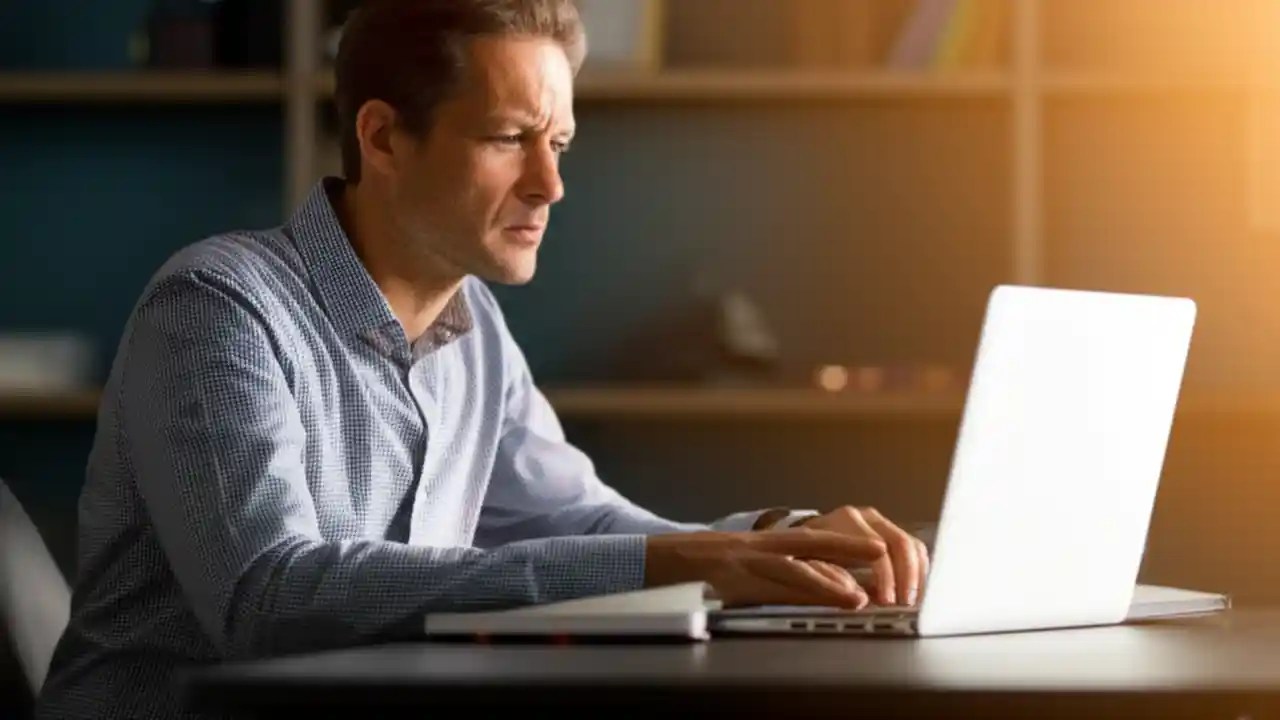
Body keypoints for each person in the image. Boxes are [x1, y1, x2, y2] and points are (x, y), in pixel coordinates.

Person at [35, 1, 928, 717]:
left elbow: (577, 526)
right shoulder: (219, 307)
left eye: (560, 144)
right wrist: (687, 564)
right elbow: (269, 599)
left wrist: (775, 542)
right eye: (510, 139)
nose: (551, 184)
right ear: (382, 138)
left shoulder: (477, 329)